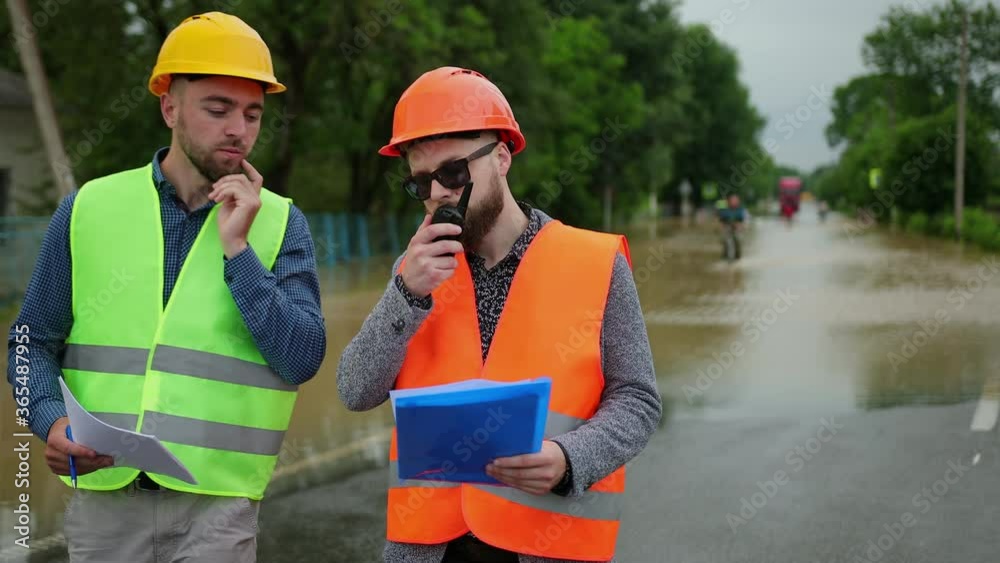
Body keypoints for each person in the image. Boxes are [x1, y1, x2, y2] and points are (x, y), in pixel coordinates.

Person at [5, 12, 326, 563]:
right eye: (218, 108)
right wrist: (49, 419)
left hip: (219, 508)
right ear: (169, 107)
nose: (238, 129)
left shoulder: (279, 223)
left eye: (252, 113)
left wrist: (239, 251)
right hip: (108, 505)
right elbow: (30, 340)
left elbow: (301, 358)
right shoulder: (89, 209)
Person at [337, 67, 662, 563]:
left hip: (546, 543)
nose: (438, 194)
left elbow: (638, 400)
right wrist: (406, 291)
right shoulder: (416, 270)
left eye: (452, 173)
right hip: (428, 548)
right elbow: (354, 390)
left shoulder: (595, 262)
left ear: (502, 157)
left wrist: (570, 459)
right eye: (421, 183)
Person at [717, 193, 746, 259]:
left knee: (738, 239)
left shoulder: (740, 209)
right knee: (727, 241)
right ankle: (726, 255)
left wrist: (739, 227)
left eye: (736, 200)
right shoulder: (724, 209)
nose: (734, 202)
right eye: (733, 200)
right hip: (727, 227)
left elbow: (742, 221)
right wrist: (722, 228)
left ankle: (737, 255)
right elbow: (721, 221)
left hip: (737, 228)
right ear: (729, 201)